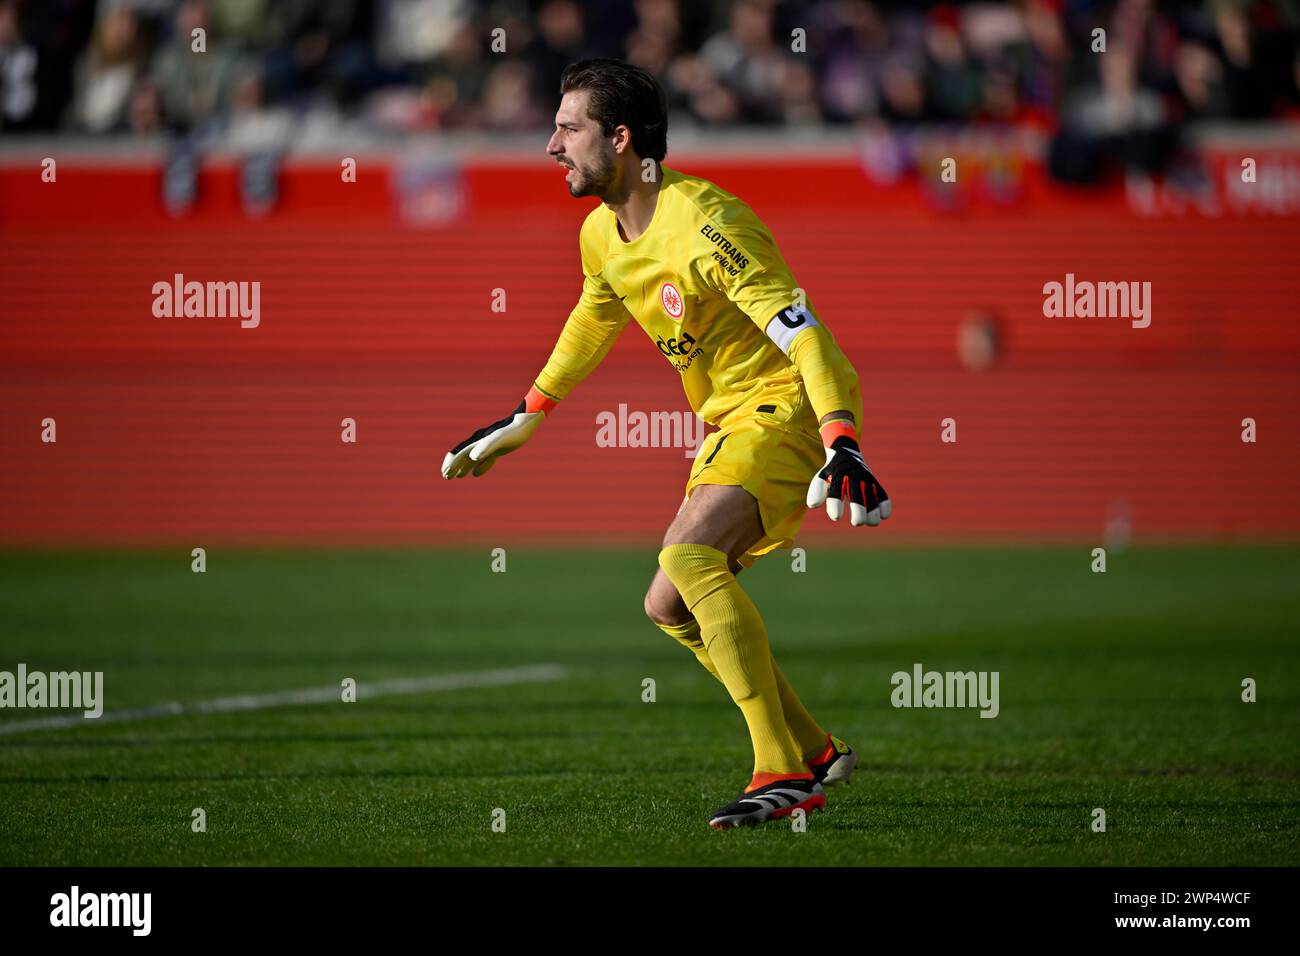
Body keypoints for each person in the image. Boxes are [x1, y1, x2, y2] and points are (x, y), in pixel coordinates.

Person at [442, 58, 891, 829]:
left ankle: (780, 771)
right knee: (667, 604)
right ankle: (814, 748)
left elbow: (805, 334)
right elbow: (594, 316)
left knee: (688, 560)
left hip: (784, 410)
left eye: (568, 128)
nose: (551, 144)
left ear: (620, 140)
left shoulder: (712, 225)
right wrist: (530, 410)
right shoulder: (600, 234)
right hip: (728, 423)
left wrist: (839, 439)